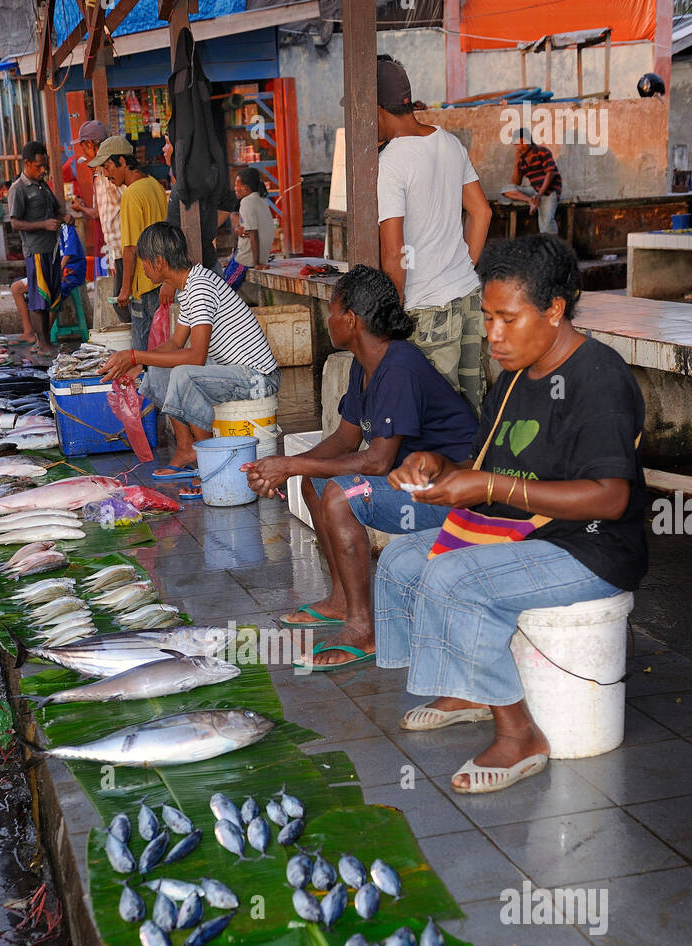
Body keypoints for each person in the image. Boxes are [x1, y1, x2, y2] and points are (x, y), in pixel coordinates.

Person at [374, 235, 647, 795]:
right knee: (402, 557)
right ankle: (469, 686)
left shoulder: (599, 378)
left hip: (591, 547)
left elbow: (611, 497)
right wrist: (436, 466)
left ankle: (521, 735)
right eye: (487, 317)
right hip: (521, 530)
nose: (492, 335)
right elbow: (484, 466)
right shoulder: (515, 376)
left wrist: (492, 484)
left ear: (554, 310)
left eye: (508, 318)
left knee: (454, 577)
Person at [245, 265, 476, 669]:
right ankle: (339, 601)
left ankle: (364, 629)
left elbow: (378, 460)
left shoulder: (399, 367)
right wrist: (289, 466)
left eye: (331, 310)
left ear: (350, 319)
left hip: (458, 493)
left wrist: (288, 464)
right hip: (415, 480)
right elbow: (345, 439)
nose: (327, 319)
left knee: (340, 492)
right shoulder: (363, 363)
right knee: (313, 484)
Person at [101, 221, 279, 496]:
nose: (143, 268)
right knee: (161, 369)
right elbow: (174, 343)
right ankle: (186, 450)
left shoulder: (200, 287)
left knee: (184, 372)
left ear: (159, 262)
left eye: (145, 262)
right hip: (232, 370)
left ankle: (212, 465)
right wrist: (140, 363)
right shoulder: (190, 285)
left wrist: (135, 354)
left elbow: (195, 357)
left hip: (257, 377)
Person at [376, 55, 492, 416]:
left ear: (377, 109)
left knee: (434, 418)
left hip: (424, 310)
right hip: (469, 297)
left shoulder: (392, 160)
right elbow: (482, 212)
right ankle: (476, 473)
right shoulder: (449, 142)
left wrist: (390, 318)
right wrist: (459, 267)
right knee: (471, 411)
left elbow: (394, 254)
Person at [88, 140, 167, 351]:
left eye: (107, 167)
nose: (105, 175)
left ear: (122, 161)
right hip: (161, 280)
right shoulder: (155, 185)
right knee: (160, 345)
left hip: (144, 281)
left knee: (141, 351)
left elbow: (130, 248)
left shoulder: (131, 194)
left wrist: (125, 289)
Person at [161, 131, 234, 309]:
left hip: (192, 276)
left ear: (179, 150)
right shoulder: (191, 181)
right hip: (205, 270)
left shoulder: (187, 185)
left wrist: (170, 281)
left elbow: (176, 238)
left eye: (167, 144)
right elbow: (228, 201)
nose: (164, 149)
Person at [7, 141, 66, 353]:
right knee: (39, 298)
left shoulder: (43, 186)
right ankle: (42, 344)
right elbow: (14, 223)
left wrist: (64, 216)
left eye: (45, 166)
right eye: (39, 166)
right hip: (36, 251)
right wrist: (43, 224)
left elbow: (56, 210)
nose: (43, 170)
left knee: (52, 298)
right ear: (28, 163)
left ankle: (45, 342)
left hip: (52, 250)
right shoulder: (19, 189)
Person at [68, 126, 130, 293]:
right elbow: (99, 213)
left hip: (124, 249)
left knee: (126, 301)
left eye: (83, 146)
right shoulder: (99, 174)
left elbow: (129, 204)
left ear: (90, 144)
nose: (83, 152)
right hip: (115, 251)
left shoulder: (110, 172)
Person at [500, 130, 562, 236]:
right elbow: (516, 183)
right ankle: (530, 201)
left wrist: (539, 195)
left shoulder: (542, 151)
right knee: (506, 189)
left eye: (523, 142)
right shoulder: (522, 160)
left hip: (549, 191)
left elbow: (550, 173)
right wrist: (516, 164)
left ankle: (551, 249)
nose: (521, 146)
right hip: (534, 191)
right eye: (517, 144)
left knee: (546, 223)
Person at [223, 167, 275, 290]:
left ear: (245, 188)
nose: (235, 189)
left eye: (237, 185)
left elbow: (254, 234)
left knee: (225, 290)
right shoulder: (261, 200)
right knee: (225, 275)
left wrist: (256, 264)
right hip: (261, 257)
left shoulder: (246, 202)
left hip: (247, 260)